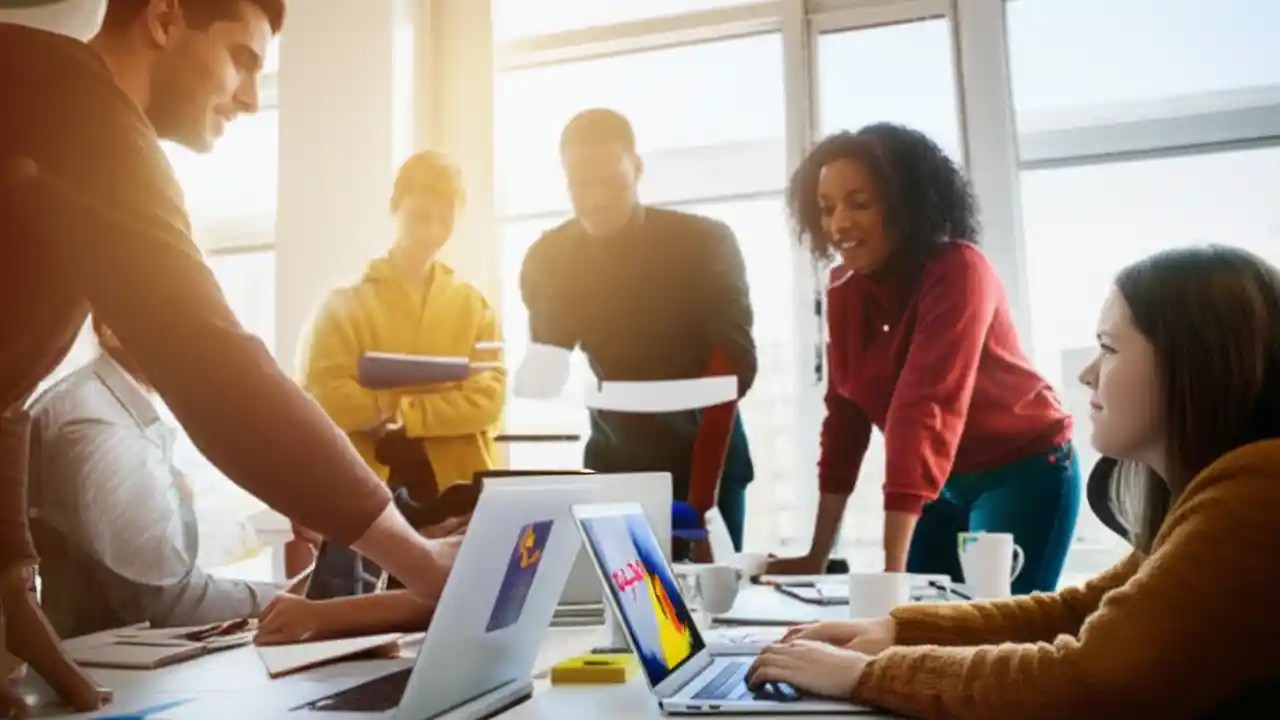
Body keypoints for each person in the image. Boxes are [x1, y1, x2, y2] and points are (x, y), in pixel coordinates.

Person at [0, 1, 453, 710]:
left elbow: (5, 398)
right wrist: (417, 559)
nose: (249, 98)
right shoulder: (79, 104)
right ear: (163, 18)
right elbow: (210, 356)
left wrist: (12, 576)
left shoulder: (51, 109)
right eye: (241, 60)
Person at [747, 245, 1280, 718]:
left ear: (1195, 361)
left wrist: (866, 675)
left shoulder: (1255, 498)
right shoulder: (1225, 493)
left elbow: (1090, 678)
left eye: (1109, 348)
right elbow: (1081, 611)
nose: (1087, 373)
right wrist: (896, 631)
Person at [767, 125, 1079, 594]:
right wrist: (817, 555)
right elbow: (844, 422)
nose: (838, 224)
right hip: (941, 483)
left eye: (859, 203)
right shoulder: (844, 290)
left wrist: (892, 578)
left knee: (997, 623)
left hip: (1024, 468)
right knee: (919, 623)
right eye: (827, 208)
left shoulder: (960, 269)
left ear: (905, 203)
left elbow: (924, 406)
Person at [519, 108, 757, 550]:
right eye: (580, 185)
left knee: (710, 592)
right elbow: (549, 360)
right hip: (617, 460)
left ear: (637, 168)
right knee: (627, 590)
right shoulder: (549, 257)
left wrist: (701, 506)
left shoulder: (705, 243)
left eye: (610, 181)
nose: (596, 200)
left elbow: (734, 367)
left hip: (709, 456)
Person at [28, 318, 280, 639]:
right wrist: (292, 599)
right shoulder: (99, 425)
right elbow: (166, 604)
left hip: (112, 647)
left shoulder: (107, 404)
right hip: (108, 658)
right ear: (110, 328)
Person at [302, 150, 504, 505]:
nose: (433, 228)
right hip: (364, 488)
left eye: (445, 217)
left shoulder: (475, 306)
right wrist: (439, 403)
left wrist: (395, 410)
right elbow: (326, 397)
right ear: (396, 207)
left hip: (459, 489)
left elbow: (488, 401)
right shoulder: (342, 305)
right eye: (421, 215)